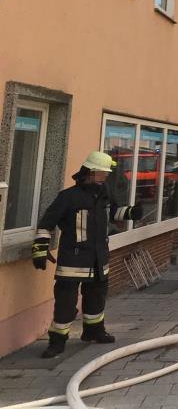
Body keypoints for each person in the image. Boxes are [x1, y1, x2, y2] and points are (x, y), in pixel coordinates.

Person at [32, 151, 141, 358]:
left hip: (99, 259)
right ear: (92, 172)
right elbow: (47, 224)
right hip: (73, 259)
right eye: (104, 173)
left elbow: (112, 213)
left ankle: (94, 332)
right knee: (65, 303)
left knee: (96, 299)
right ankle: (57, 341)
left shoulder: (103, 194)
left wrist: (131, 213)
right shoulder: (68, 197)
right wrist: (40, 250)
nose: (106, 176)